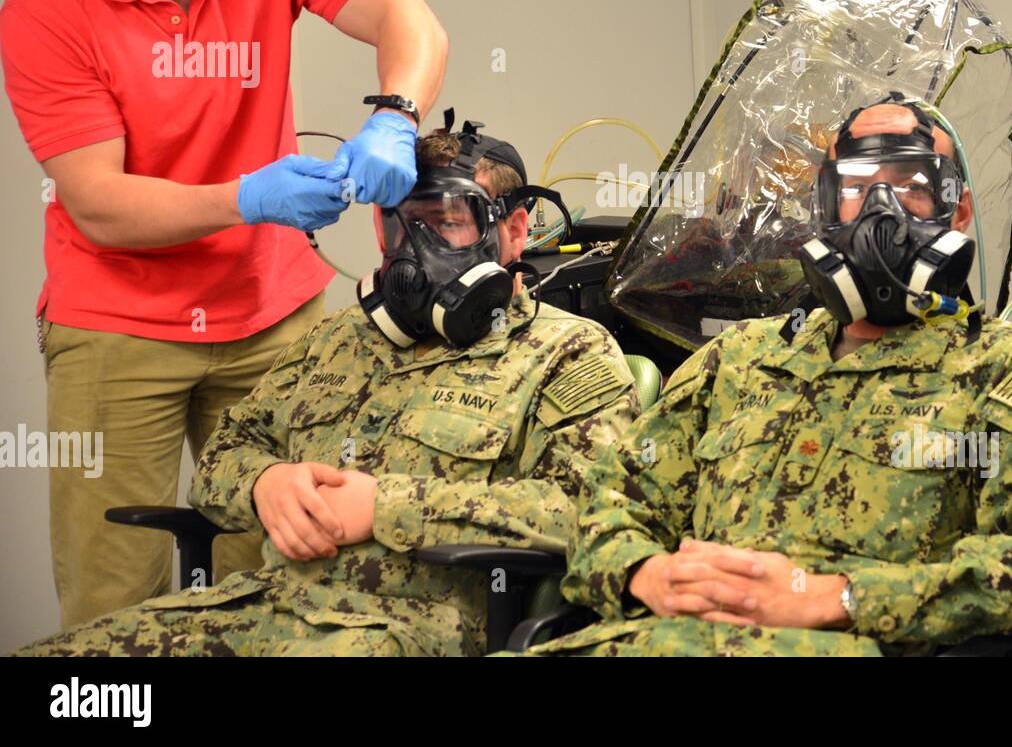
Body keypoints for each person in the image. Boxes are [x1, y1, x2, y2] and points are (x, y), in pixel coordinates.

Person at [0, 0, 448, 628]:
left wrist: (396, 116)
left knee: (288, 582)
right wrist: (246, 197)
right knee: (112, 604)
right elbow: (97, 203)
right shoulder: (43, 9)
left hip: (272, 315)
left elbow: (409, 19)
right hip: (117, 331)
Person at [16, 123, 638, 656]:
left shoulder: (568, 354)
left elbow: (593, 516)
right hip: (258, 612)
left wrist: (384, 506)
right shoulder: (337, 339)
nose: (414, 249)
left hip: (401, 632)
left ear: (514, 229)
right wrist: (265, 484)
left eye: (445, 222)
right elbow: (220, 459)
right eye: (399, 223)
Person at [528, 94, 1012, 657]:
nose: (881, 208)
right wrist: (645, 573)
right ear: (825, 210)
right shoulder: (737, 359)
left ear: (957, 210)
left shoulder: (1008, 374)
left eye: (911, 185)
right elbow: (608, 500)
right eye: (856, 187)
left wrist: (841, 599)